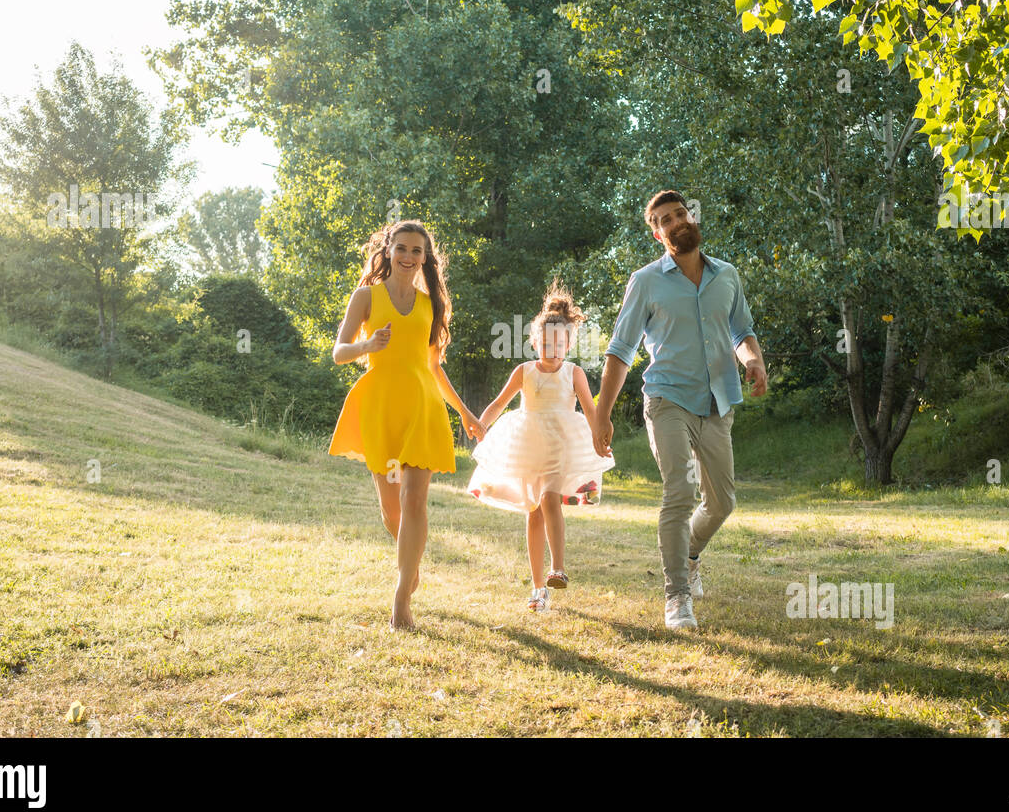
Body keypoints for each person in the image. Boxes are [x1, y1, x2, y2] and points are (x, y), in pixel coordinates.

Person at [591, 190, 768, 630]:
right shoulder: (646, 281)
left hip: (717, 401)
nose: (674, 223)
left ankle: (689, 555)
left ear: (691, 217)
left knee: (722, 502)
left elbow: (741, 330)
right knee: (679, 493)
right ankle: (677, 597)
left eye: (679, 214)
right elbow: (620, 350)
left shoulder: (726, 275)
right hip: (667, 399)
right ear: (657, 234)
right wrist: (602, 412)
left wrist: (752, 360)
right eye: (663, 220)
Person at [329, 220, 485, 630]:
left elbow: (433, 367)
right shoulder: (365, 297)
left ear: (425, 258)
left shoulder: (430, 304)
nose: (408, 257)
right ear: (387, 250)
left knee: (415, 500)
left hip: (422, 406)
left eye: (417, 251)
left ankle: (401, 599)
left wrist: (465, 412)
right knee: (392, 510)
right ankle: (409, 564)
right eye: (402, 248)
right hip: (380, 405)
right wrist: (366, 345)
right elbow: (339, 352)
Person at [468, 283, 615, 612]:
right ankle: (538, 590)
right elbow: (498, 404)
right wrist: (480, 423)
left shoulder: (574, 373)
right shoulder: (524, 371)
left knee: (550, 498)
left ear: (568, 344)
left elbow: (592, 413)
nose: (552, 348)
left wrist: (600, 436)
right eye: (545, 342)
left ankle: (558, 568)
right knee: (533, 513)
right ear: (535, 342)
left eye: (559, 343)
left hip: (561, 445)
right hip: (529, 446)